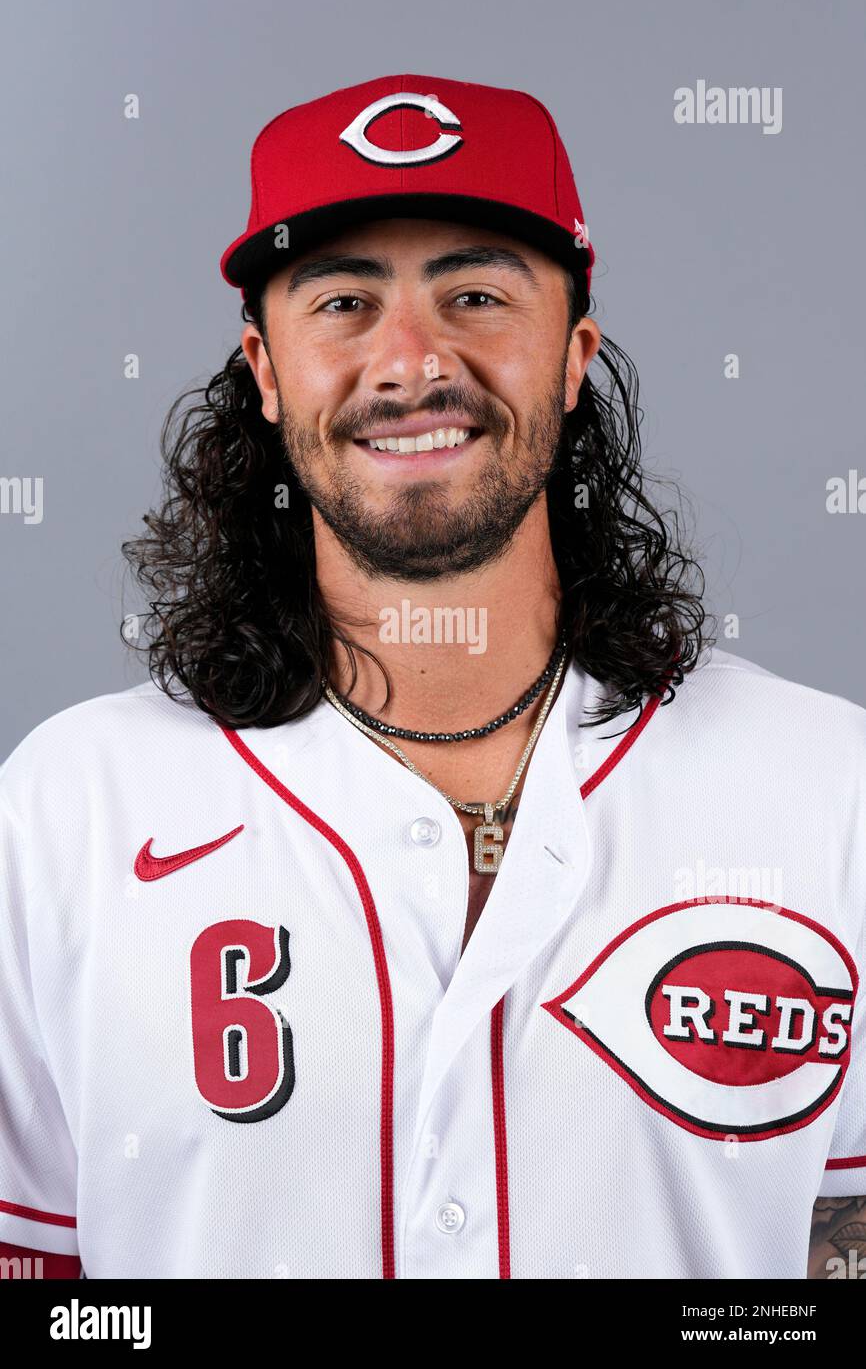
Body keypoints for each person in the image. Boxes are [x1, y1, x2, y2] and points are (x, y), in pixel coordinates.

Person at [1, 73, 863, 1280]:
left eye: (474, 294)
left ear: (572, 357)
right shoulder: (65, 812)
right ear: (263, 368)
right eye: (343, 301)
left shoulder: (826, 790)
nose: (410, 361)